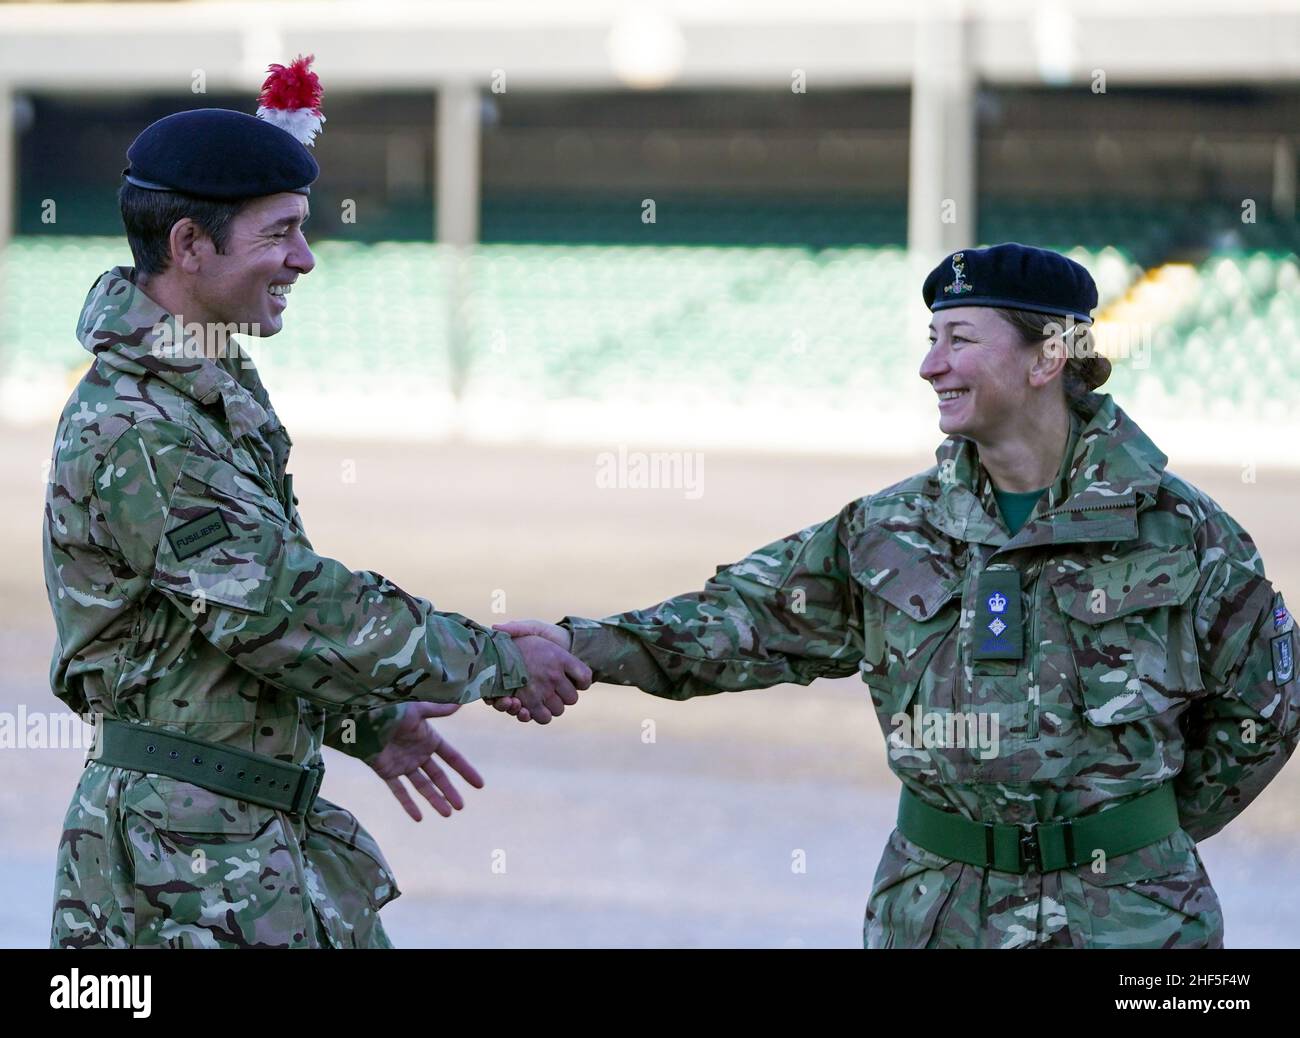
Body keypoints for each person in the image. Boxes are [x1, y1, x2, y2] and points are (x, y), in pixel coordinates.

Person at [496, 242, 1300, 948]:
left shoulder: (1180, 530)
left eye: (959, 340)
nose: (930, 365)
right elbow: (741, 620)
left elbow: (1267, 706)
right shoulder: (887, 531)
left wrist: (1135, 836)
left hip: (1136, 920)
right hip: (934, 915)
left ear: (1047, 356)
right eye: (930, 340)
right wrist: (580, 647)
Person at [44, 57, 590, 949]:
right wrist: (493, 660)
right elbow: (279, 604)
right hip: (178, 869)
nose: (303, 258)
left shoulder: (202, 387)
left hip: (233, 838)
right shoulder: (144, 425)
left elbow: (204, 631)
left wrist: (364, 718)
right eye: (281, 233)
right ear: (189, 245)